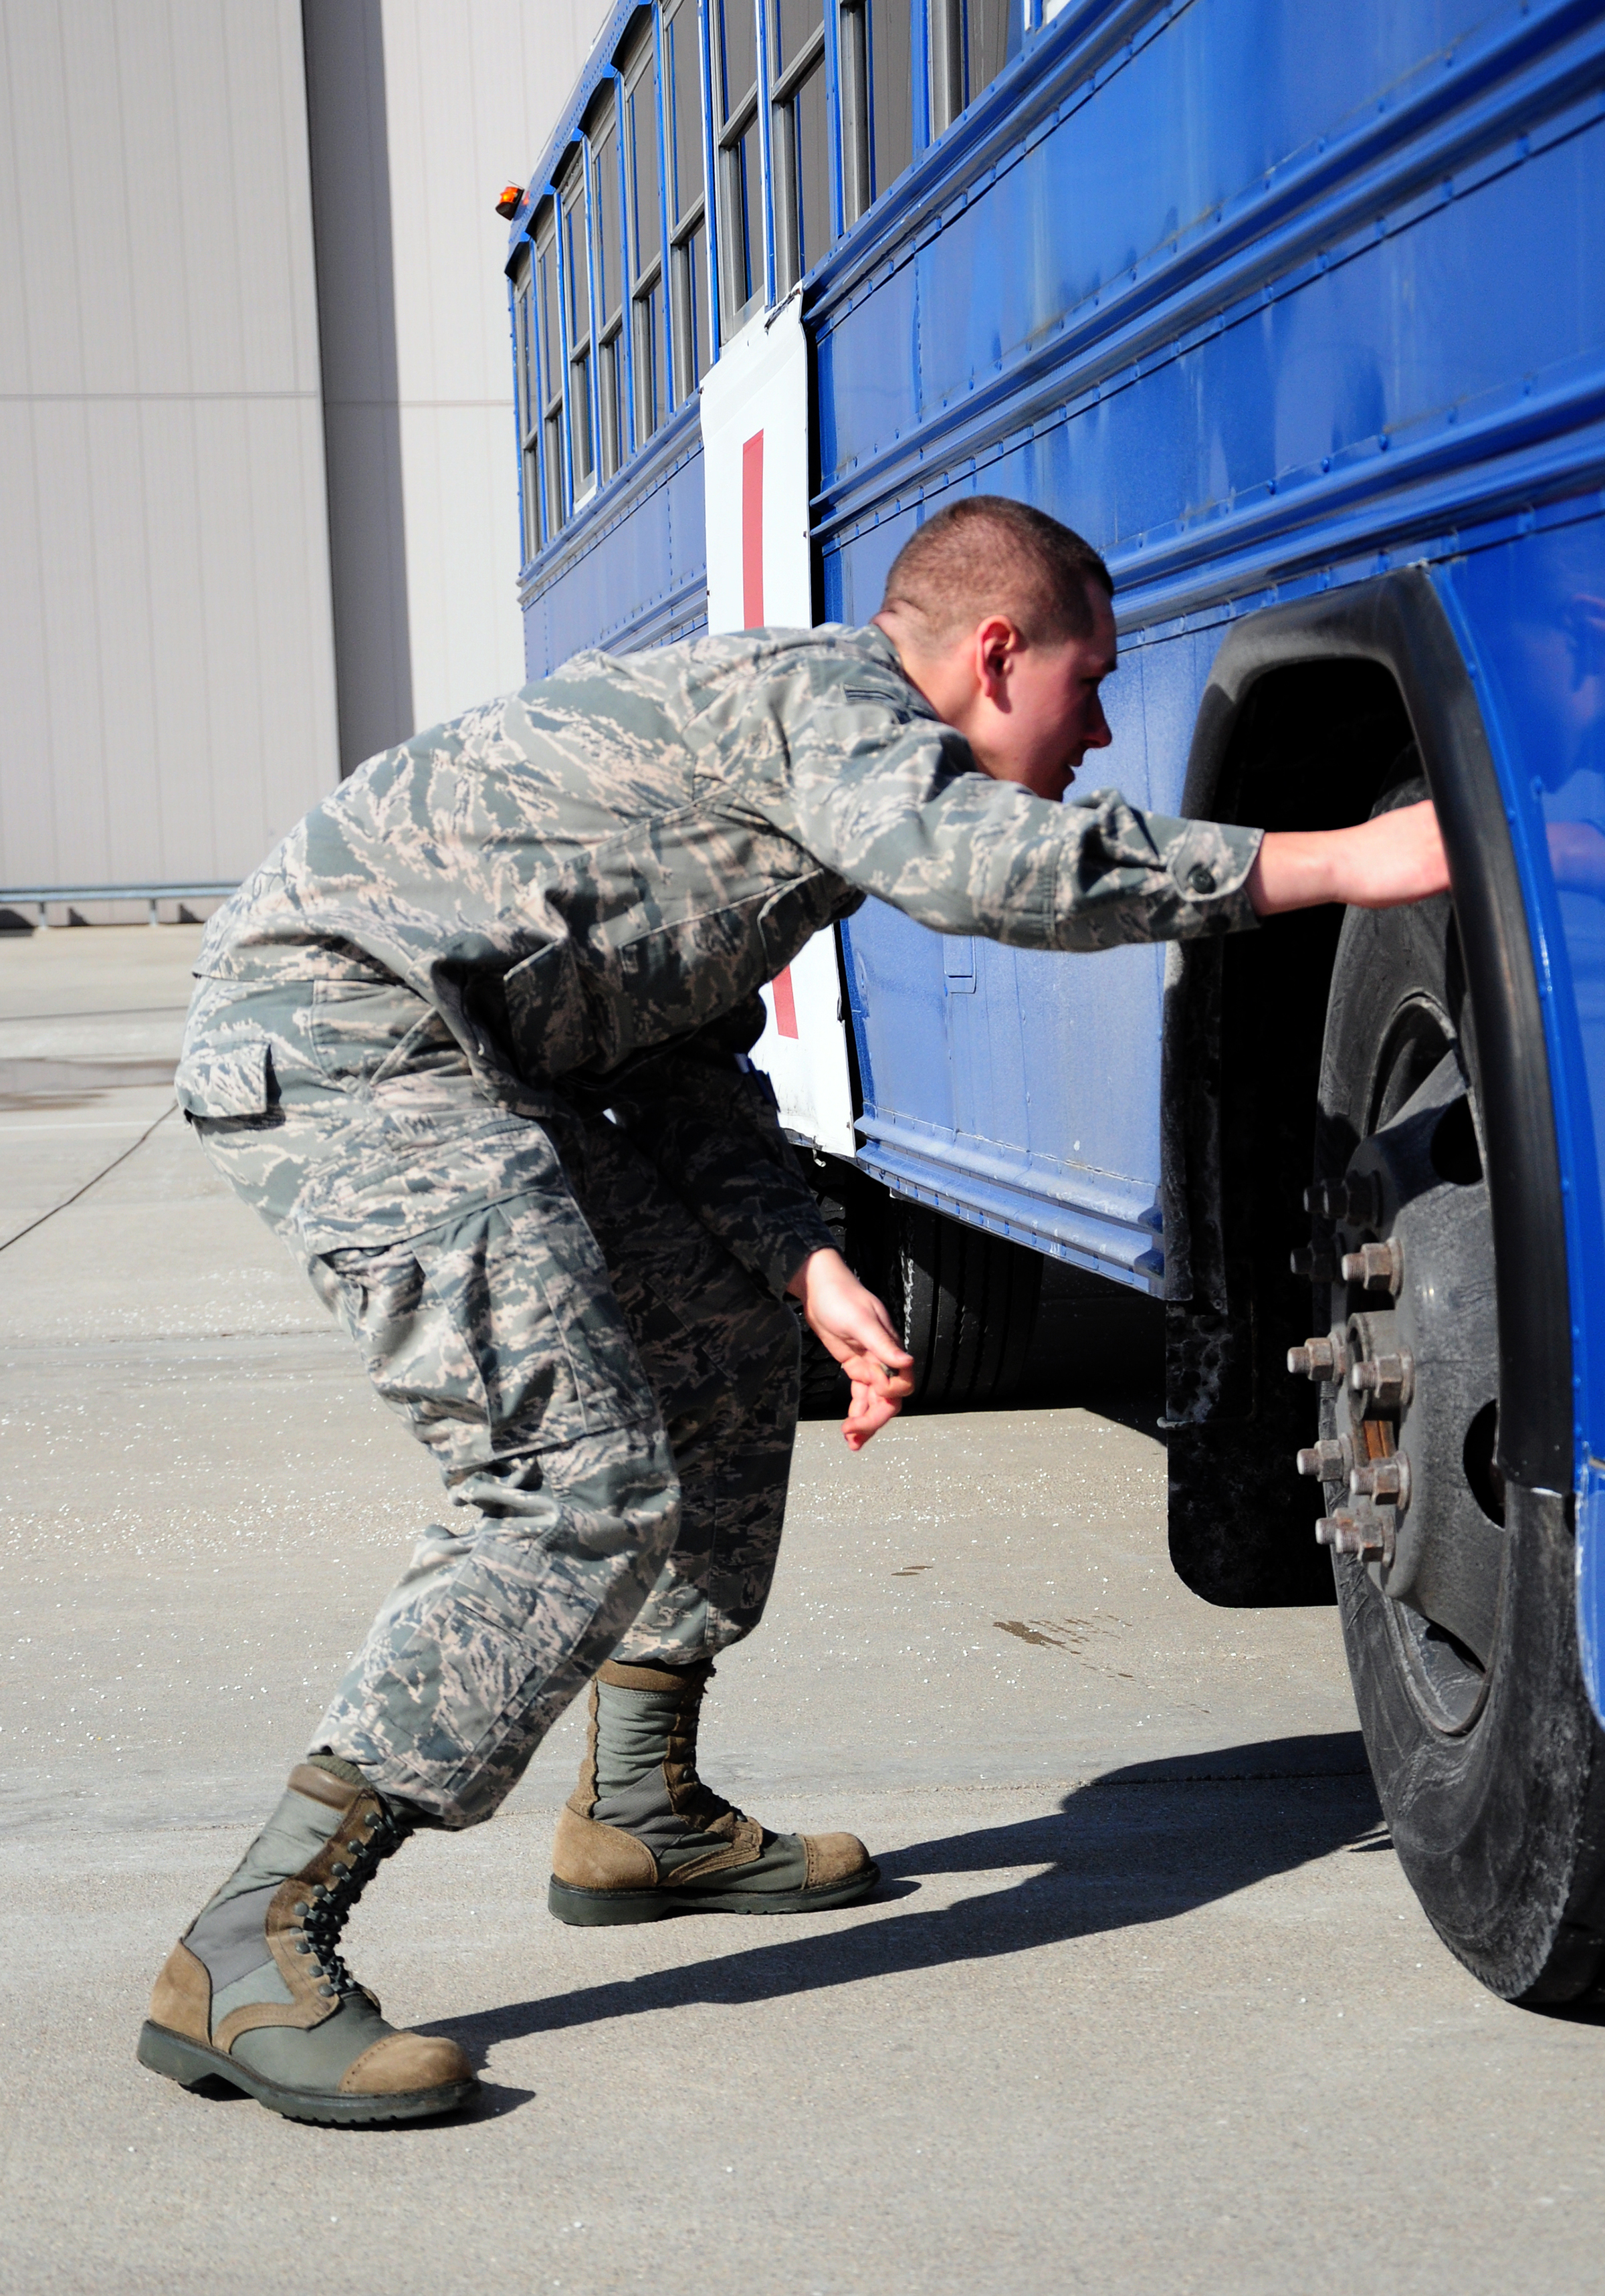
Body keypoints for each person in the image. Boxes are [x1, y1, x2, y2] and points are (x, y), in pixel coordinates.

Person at [138, 499, 1448, 2125]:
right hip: (348, 1033)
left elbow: (671, 1053)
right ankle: (250, 1943)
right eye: (1092, 682)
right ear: (996, 653)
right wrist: (1334, 860)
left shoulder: (804, 763)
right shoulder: (835, 710)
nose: (1104, 729)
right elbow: (985, 870)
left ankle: (641, 1808)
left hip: (452, 1046)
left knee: (721, 1334)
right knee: (571, 1486)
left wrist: (803, 1262)